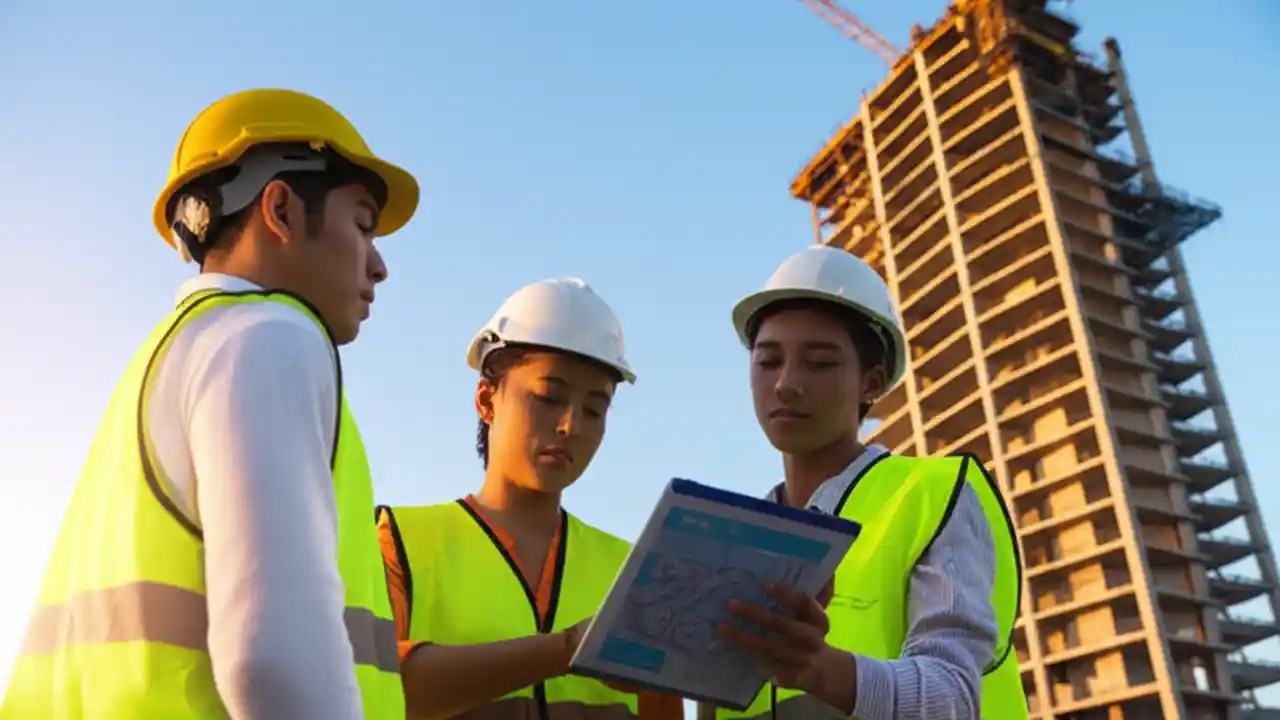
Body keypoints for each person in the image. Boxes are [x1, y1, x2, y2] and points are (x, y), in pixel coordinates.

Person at [1, 88, 420, 719]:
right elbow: (276, 659)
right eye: (362, 224)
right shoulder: (269, 336)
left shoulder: (168, 357)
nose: (379, 263)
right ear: (280, 207)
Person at [700, 245, 1026, 719]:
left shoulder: (931, 495)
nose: (786, 384)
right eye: (768, 361)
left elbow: (953, 696)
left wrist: (821, 669)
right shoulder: (728, 544)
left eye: (820, 362)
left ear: (871, 383)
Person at [376, 277, 683, 719]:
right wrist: (565, 650)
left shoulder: (633, 573)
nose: (571, 425)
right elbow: (371, 687)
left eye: (595, 408)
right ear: (486, 399)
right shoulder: (402, 541)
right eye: (547, 397)